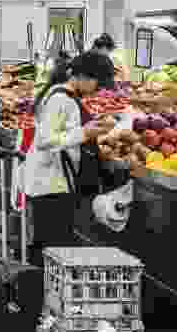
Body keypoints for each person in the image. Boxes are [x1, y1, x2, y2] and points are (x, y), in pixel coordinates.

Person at [19, 52, 114, 266]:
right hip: (51, 185)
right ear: (85, 77)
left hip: (50, 182)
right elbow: (44, 140)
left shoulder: (60, 93)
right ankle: (41, 292)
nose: (98, 89)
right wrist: (84, 133)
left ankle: (39, 290)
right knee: (53, 249)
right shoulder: (62, 99)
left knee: (48, 245)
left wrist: (87, 129)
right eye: (98, 83)